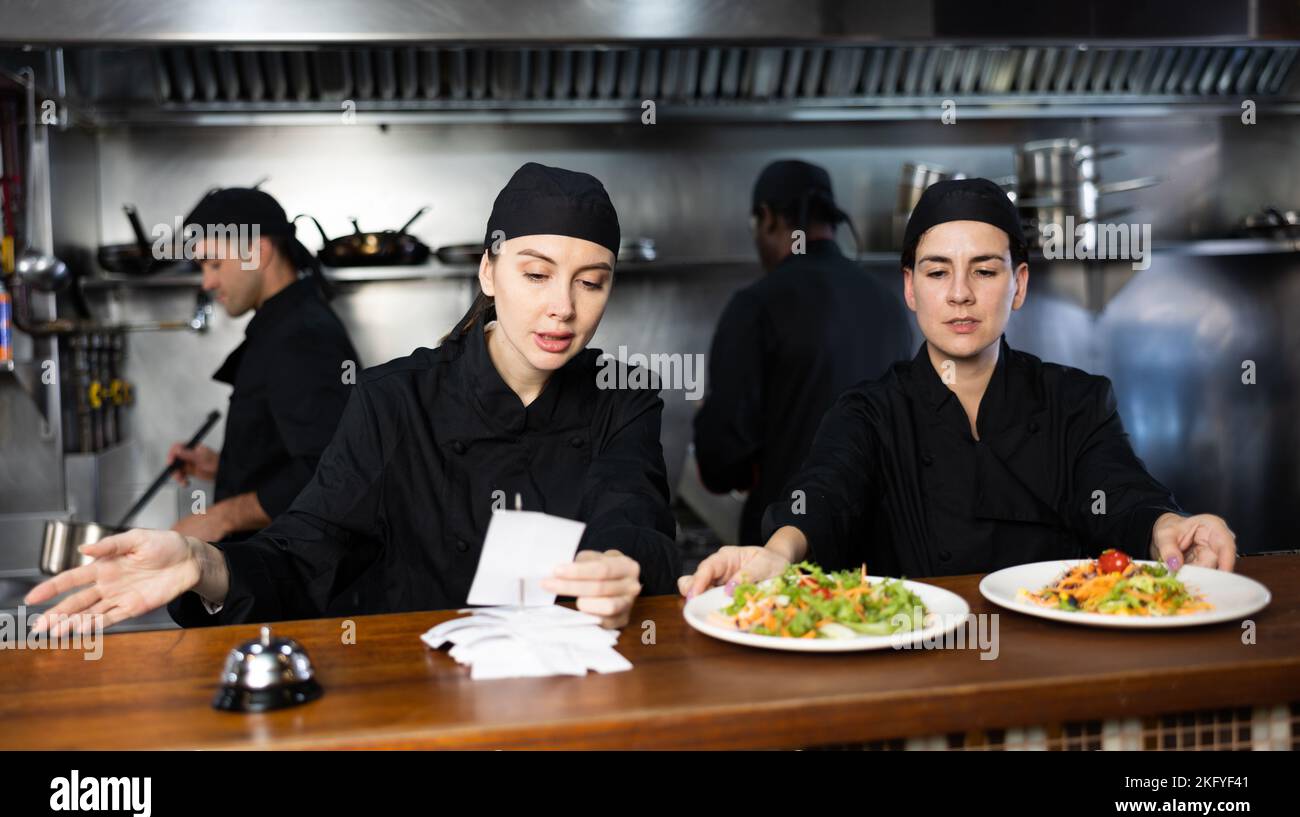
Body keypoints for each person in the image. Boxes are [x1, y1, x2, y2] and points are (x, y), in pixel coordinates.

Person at [28, 163, 678, 633]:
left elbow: (635, 516)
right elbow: (299, 559)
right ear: (489, 270)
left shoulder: (622, 398)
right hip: (414, 706)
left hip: (571, 705)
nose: (561, 307)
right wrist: (204, 561)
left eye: (591, 283)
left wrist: (617, 562)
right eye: (535, 274)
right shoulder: (394, 402)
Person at [681, 177, 1236, 596]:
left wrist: (1170, 525)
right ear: (910, 288)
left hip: (1052, 671)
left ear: (1018, 285)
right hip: (915, 676)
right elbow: (825, 495)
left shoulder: (1076, 401)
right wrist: (779, 552)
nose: (960, 294)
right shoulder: (870, 413)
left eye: (986, 270)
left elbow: (1120, 491)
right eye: (937, 271)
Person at [693, 160, 911, 544]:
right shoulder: (889, 303)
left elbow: (721, 461)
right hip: (880, 545)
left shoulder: (757, 305)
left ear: (767, 218)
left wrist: (708, 417)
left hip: (784, 544)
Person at [167, 187, 358, 544]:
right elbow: (298, 451)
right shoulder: (283, 324)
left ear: (258, 251)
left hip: (297, 586)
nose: (207, 282)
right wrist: (227, 467)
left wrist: (224, 517)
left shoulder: (303, 336)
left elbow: (332, 468)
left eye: (214, 264)